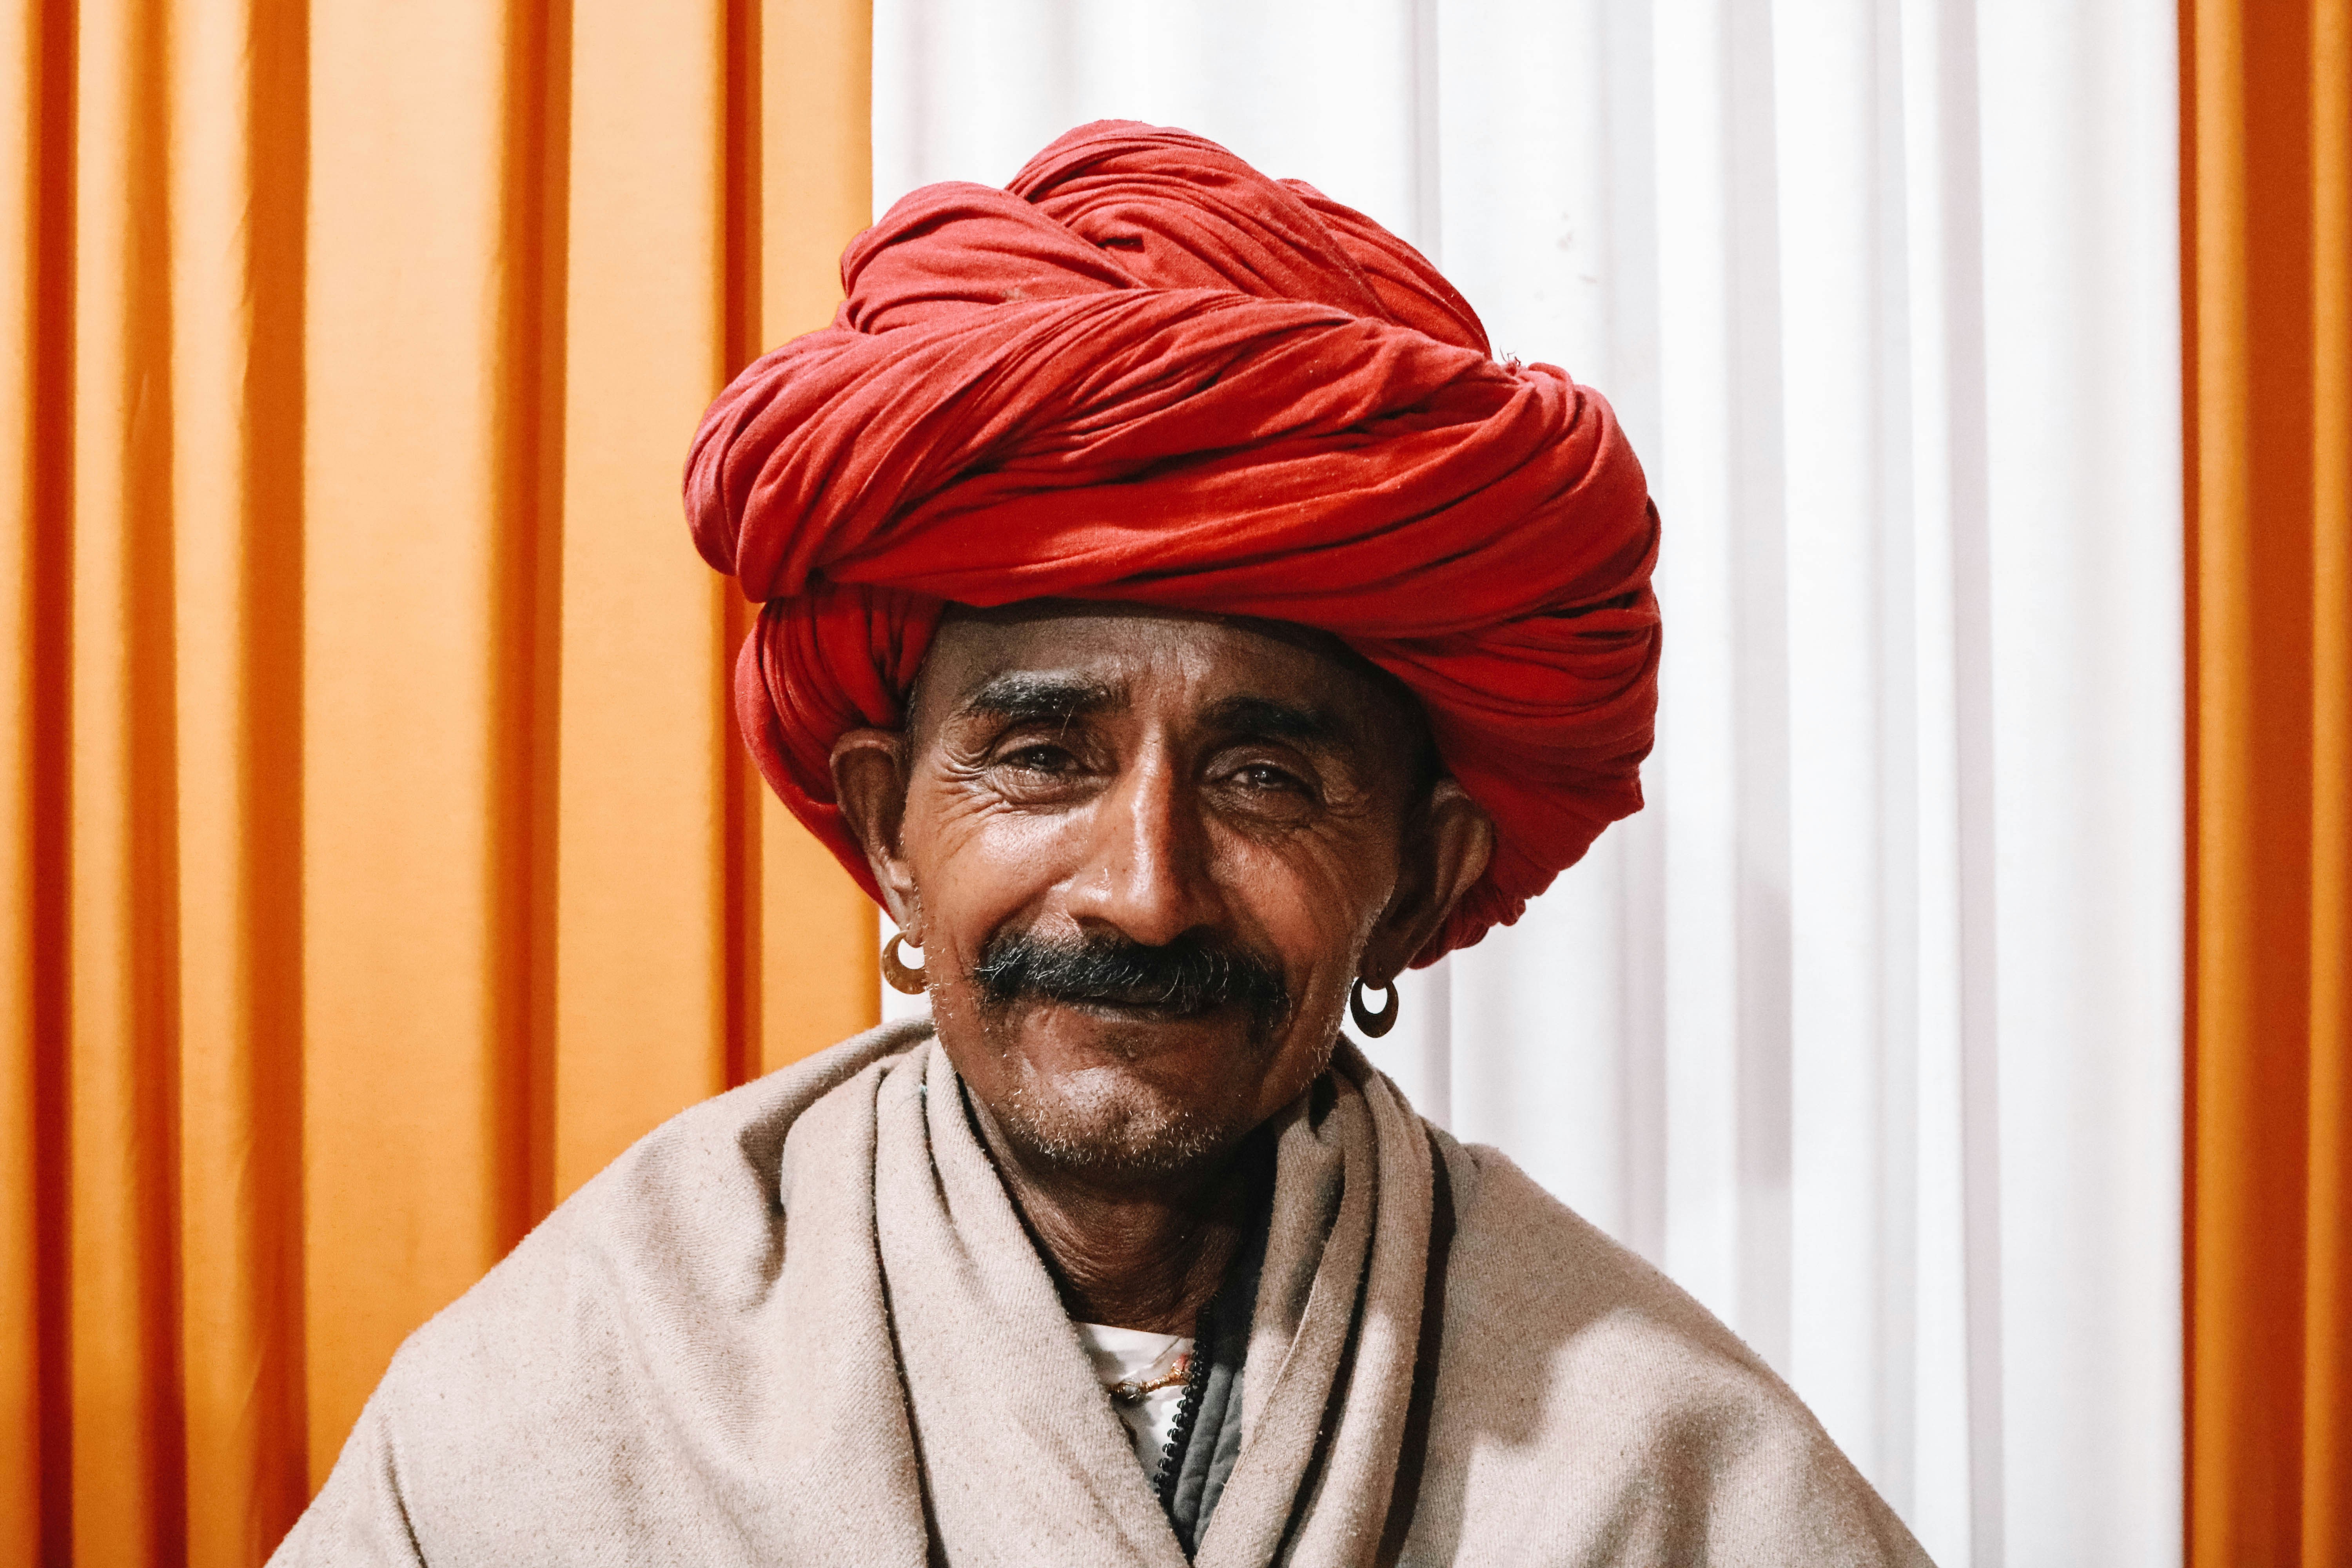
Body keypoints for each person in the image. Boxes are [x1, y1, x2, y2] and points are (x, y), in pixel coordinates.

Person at [272, 122, 1929, 1567]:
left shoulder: (1659, 1459)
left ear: (1414, 883)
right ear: (888, 832)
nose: (1145, 887)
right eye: (1044, 754)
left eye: (1268, 778)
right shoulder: (579, 1385)